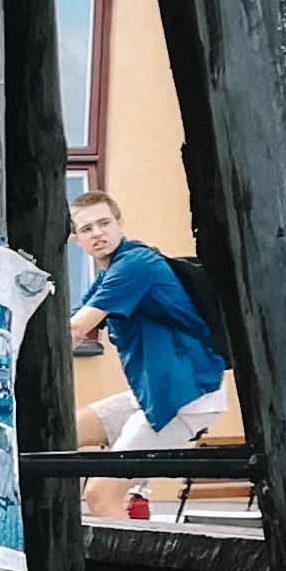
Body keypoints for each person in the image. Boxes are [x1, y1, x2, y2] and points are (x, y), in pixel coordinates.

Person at [68, 189, 229, 456]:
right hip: (153, 393)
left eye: (104, 223)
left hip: (185, 394)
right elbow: (75, 326)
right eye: (87, 228)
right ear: (77, 240)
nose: (97, 233)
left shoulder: (135, 265)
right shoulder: (108, 275)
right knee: (63, 433)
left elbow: (77, 328)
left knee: (101, 490)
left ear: (120, 225)